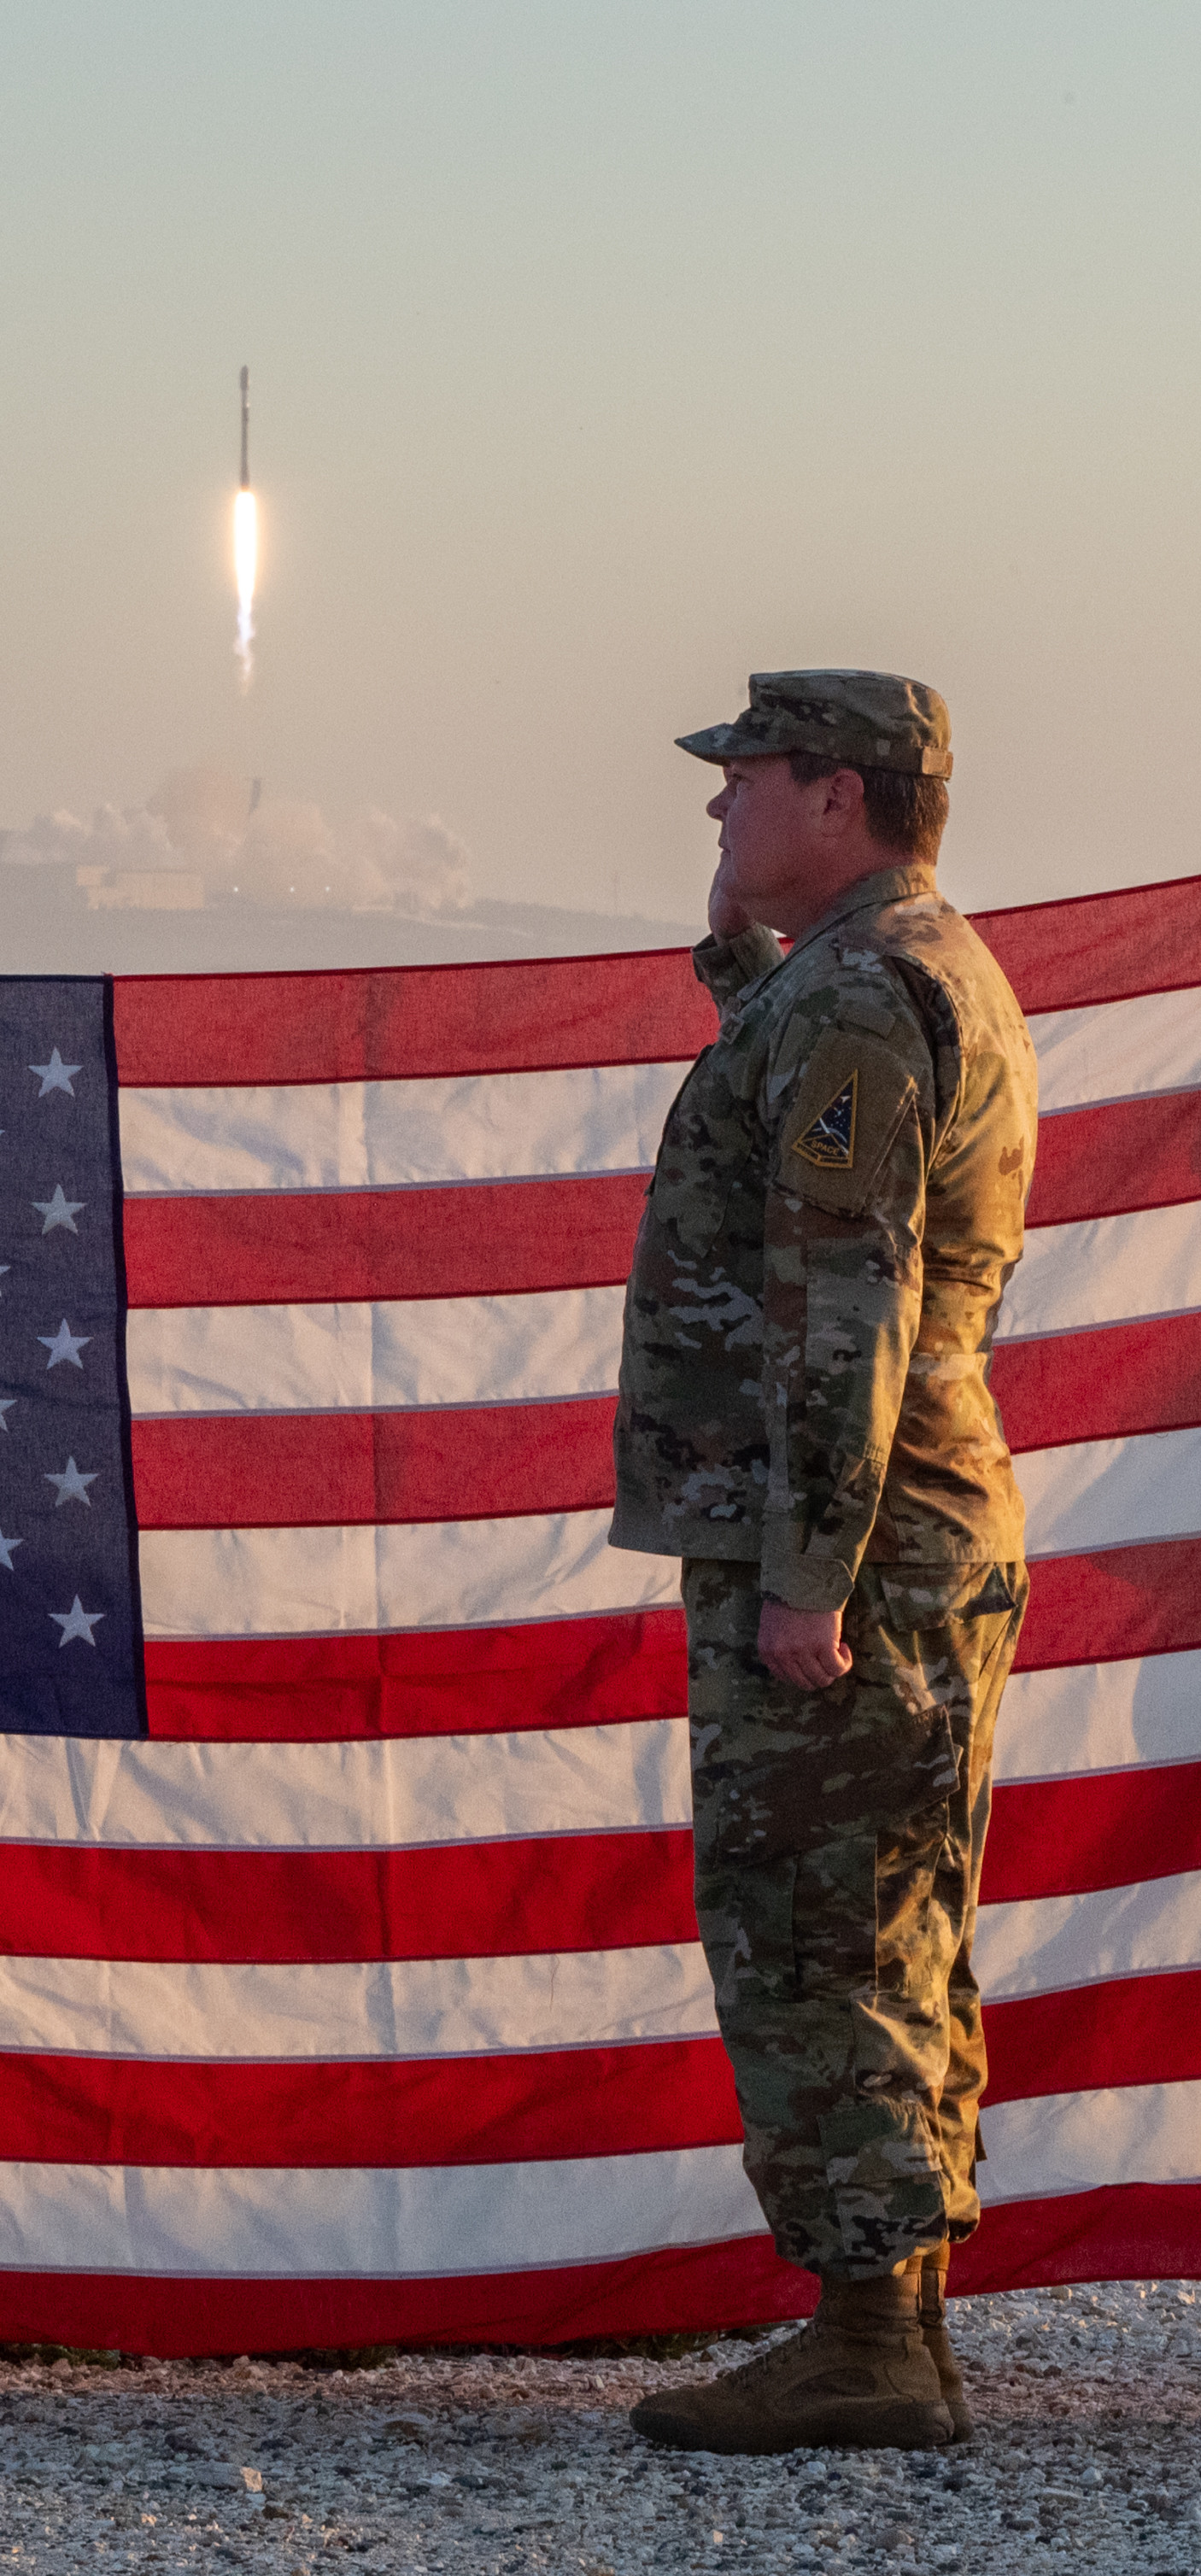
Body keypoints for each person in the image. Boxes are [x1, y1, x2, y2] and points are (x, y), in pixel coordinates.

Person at [609, 672, 1038, 2455]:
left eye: (747, 776)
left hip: (852, 1535)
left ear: (838, 795)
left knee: (818, 1926)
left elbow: (845, 1301)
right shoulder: (894, 970)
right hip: (913, 1522)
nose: (720, 804)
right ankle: (894, 2321)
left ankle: (867, 2336)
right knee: (890, 1914)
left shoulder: (861, 993)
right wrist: (739, 964)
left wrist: (809, 1573)